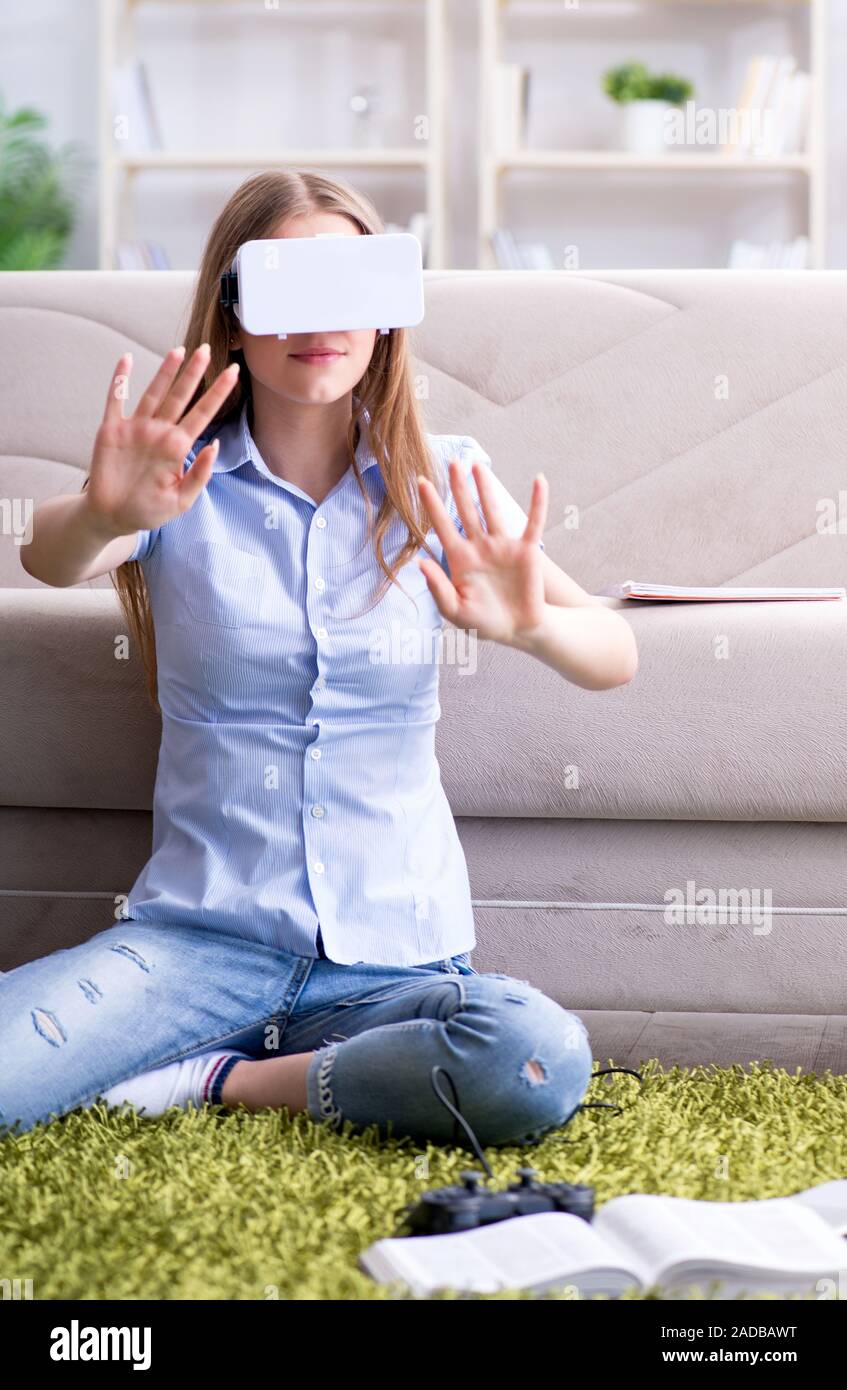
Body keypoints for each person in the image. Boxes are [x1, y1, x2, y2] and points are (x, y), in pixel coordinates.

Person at [4, 170, 637, 1149]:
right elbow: (50, 557)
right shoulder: (176, 481)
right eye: (289, 287)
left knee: (528, 1055)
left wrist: (533, 628)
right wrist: (101, 510)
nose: (322, 320)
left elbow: (614, 653)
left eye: (350, 285)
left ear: (386, 313)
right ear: (235, 309)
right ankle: (203, 1050)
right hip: (193, 950)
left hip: (400, 968)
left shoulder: (445, 477)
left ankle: (220, 1081)